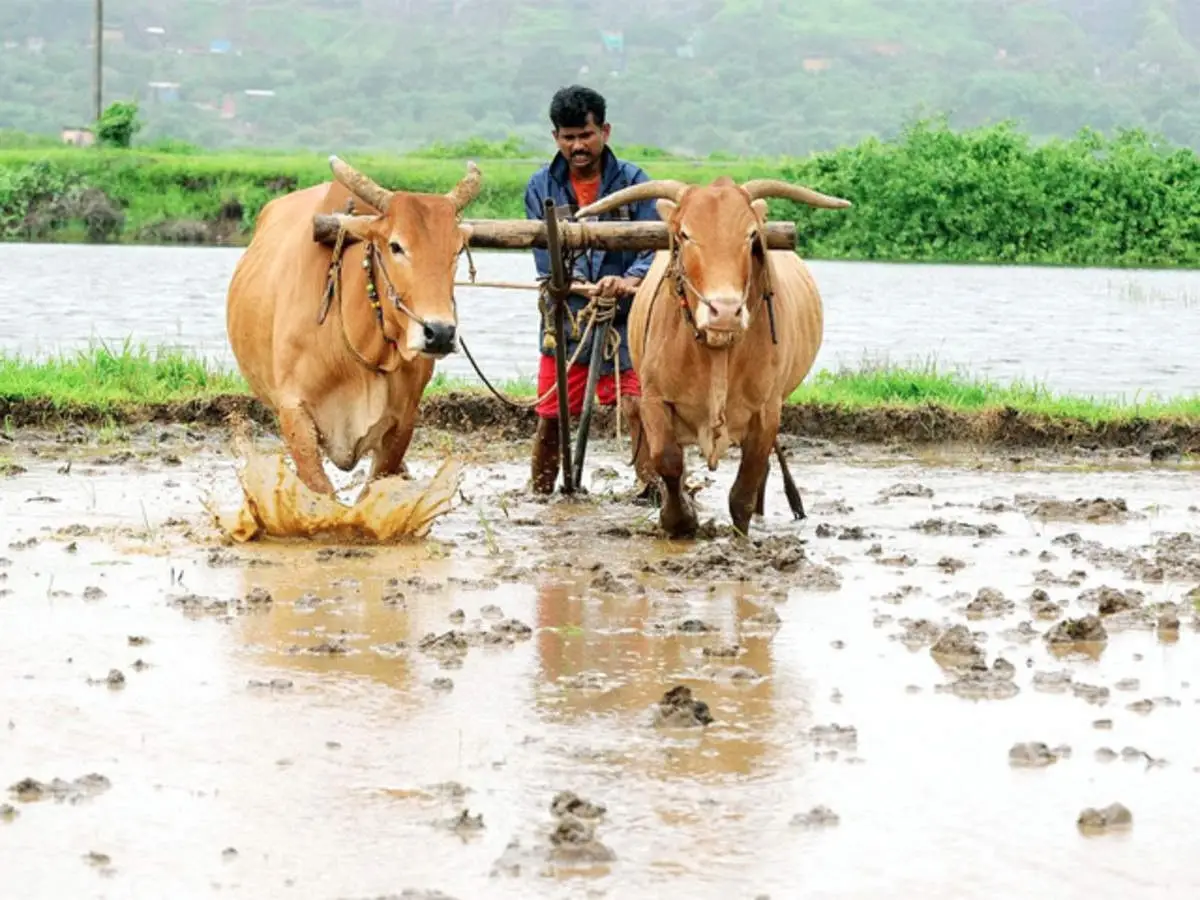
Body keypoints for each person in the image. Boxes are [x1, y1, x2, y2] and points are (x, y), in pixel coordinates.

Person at [523, 85, 659, 497]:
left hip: (627, 321)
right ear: (556, 138)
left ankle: (656, 492)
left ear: (605, 131)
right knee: (550, 416)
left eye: (586, 135)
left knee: (639, 408)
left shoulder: (634, 183)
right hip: (568, 322)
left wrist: (628, 280)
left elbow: (653, 244)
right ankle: (540, 496)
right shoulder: (541, 187)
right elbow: (547, 263)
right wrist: (583, 284)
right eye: (568, 137)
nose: (577, 146)